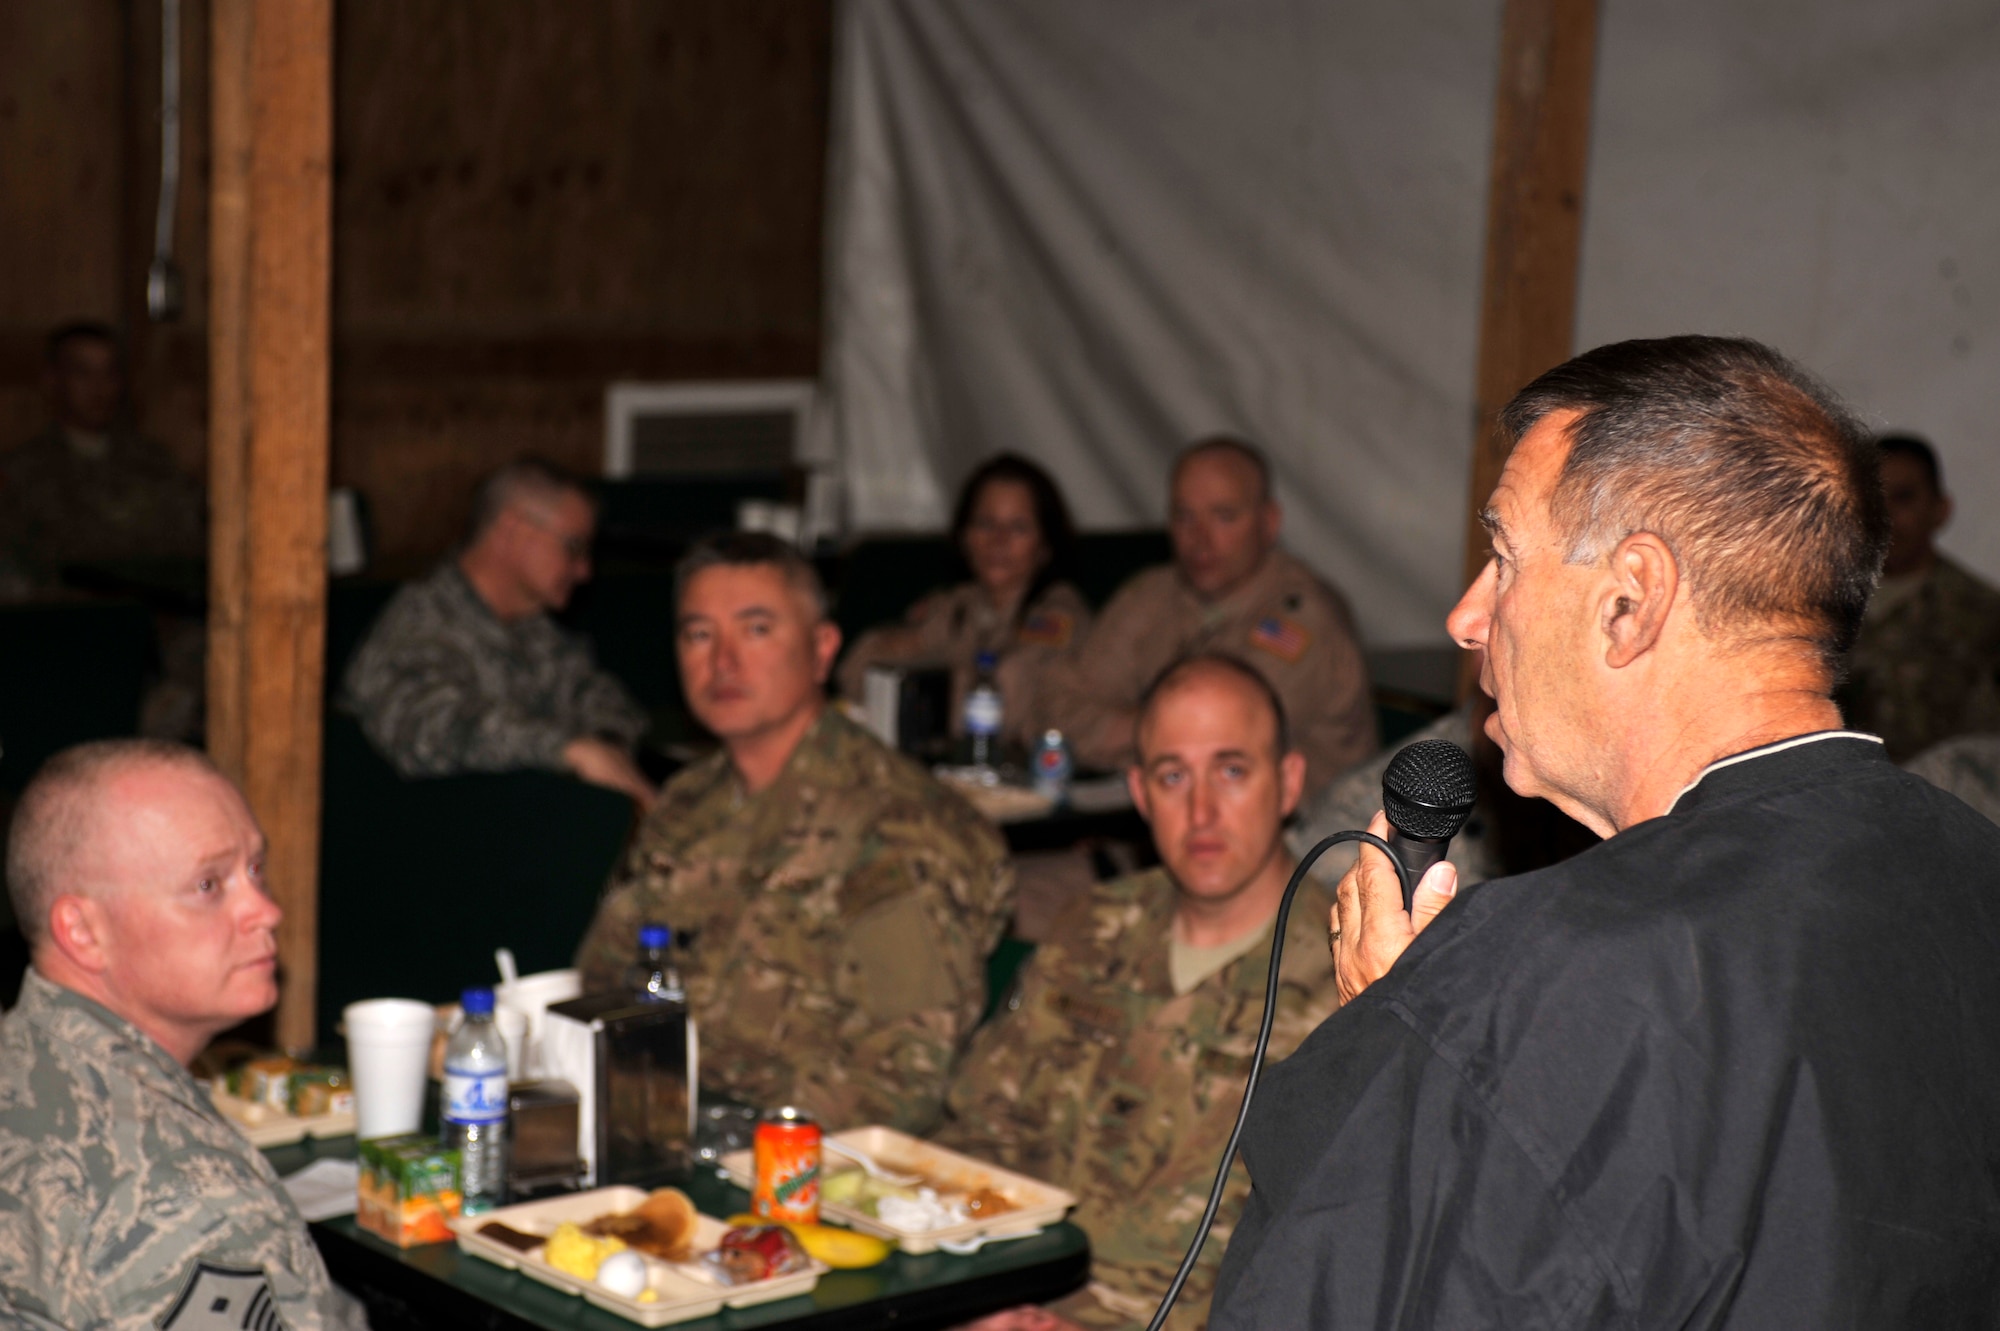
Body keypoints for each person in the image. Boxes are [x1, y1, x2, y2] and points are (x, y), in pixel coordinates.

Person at [1209, 336, 2000, 1328]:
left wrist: (1412, 1053)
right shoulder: (1973, 869)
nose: (1463, 617)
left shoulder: (1548, 976)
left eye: (1500, 557)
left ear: (1629, 599)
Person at [939, 655, 1340, 1331]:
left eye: (1232, 770)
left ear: (1289, 781)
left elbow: (1328, 1253)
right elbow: (984, 1127)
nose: (1202, 809)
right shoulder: (1092, 930)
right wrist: (981, 1294)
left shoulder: (1351, 974)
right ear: (1140, 790)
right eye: (1173, 775)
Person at [574, 533, 1013, 1133]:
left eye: (756, 630)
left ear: (822, 650)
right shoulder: (687, 804)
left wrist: (728, 1138)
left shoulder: (899, 827)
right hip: (662, 1125)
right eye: (699, 634)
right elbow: (601, 985)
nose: (722, 662)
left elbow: (899, 1081)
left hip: (800, 1162)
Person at [0, 740, 370, 1331]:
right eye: (208, 885)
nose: (266, 910)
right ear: (83, 931)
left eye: (255, 868)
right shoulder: (189, 1200)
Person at [1042, 437, 1375, 797]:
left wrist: (1109, 732)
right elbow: (1052, 709)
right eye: (1184, 516)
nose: (1199, 539)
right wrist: (1150, 733)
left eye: (1224, 516)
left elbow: (1212, 740)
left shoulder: (1304, 619)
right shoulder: (1153, 593)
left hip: (1308, 841)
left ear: (1269, 522)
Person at [342, 458, 652, 803]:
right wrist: (568, 750)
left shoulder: (533, 627)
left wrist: (605, 746)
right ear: (513, 531)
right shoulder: (423, 621)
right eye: (573, 547)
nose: (583, 571)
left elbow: (601, 698)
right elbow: (433, 730)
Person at [837, 453, 1093, 748]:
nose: (998, 541)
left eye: (1018, 527)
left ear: (1046, 545)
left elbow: (1002, 703)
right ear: (964, 537)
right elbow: (857, 669)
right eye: (985, 523)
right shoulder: (956, 605)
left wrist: (916, 687)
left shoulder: (1059, 616)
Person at [0, 321, 206, 600]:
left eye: (109, 373)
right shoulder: (22, 472)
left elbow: (189, 541)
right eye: (83, 373)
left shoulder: (155, 462)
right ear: (53, 380)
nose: (99, 388)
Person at [1835, 433, 2000, 761]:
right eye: (1873, 501)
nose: (1887, 518)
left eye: (1904, 498)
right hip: (1841, 802)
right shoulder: (1822, 610)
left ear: (1940, 509)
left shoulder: (1983, 616)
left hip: (1948, 802)